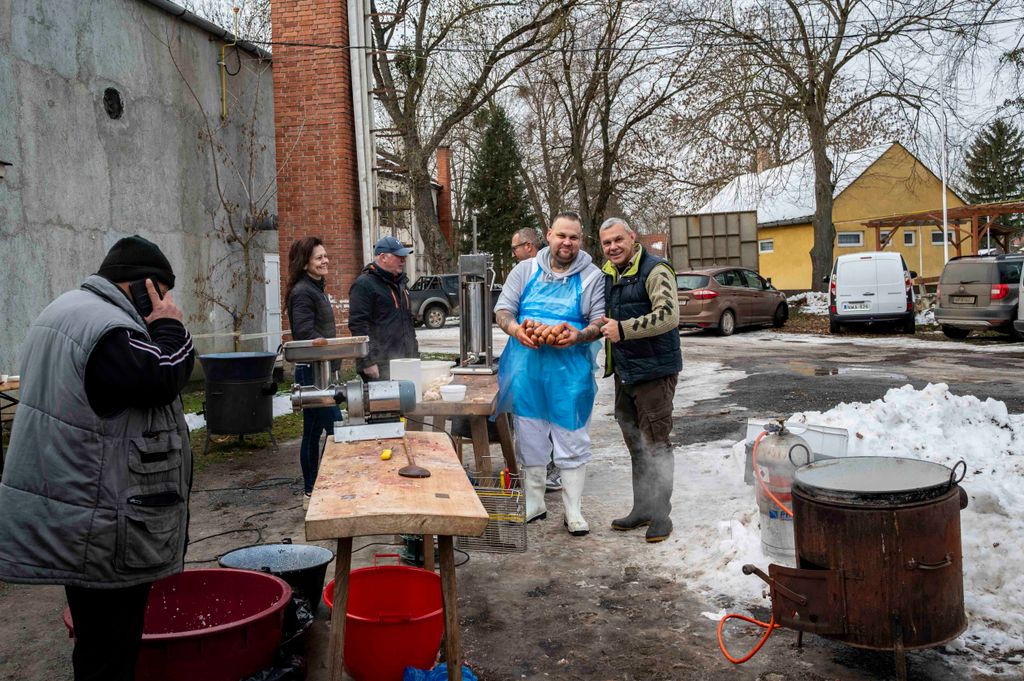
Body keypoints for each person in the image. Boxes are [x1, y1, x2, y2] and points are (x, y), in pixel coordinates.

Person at [0, 235, 194, 681]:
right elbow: (162, 376)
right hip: (100, 520)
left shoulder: (64, 312)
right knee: (110, 653)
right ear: (145, 286)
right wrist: (169, 325)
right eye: (163, 292)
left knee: (97, 643)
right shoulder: (107, 329)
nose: (167, 301)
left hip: (73, 504)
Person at [495, 211, 605, 536]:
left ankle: (573, 510)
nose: (566, 243)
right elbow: (503, 309)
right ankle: (534, 503)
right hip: (527, 370)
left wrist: (578, 334)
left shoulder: (592, 276)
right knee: (529, 438)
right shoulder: (525, 269)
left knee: (571, 439)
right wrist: (517, 331)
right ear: (549, 235)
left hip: (570, 373)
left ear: (580, 240)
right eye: (561, 235)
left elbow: (599, 322)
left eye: (573, 237)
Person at [597, 218, 681, 543]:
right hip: (626, 372)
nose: (613, 247)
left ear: (632, 237)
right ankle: (642, 508)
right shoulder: (608, 275)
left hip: (655, 372)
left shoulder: (656, 269)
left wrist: (624, 329)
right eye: (607, 243)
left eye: (618, 240)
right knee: (635, 444)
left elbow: (668, 315)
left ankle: (662, 515)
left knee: (656, 442)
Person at [284, 236, 343, 508]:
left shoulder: (315, 288)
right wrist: (329, 346)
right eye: (319, 257)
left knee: (313, 432)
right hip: (312, 372)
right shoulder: (302, 292)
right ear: (305, 262)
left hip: (324, 369)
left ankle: (312, 490)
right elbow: (304, 333)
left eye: (326, 256)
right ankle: (319, 490)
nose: (325, 261)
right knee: (336, 430)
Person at [510, 227, 561, 492]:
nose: (513, 253)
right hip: (534, 350)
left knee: (544, 414)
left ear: (529, 247)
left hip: (548, 353)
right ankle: (544, 470)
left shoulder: (537, 269)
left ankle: (550, 471)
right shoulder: (527, 271)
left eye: (515, 248)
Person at [348, 236, 419, 381]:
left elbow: (408, 323)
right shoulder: (364, 284)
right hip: (381, 364)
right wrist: (367, 361)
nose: (403, 260)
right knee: (386, 404)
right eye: (398, 256)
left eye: (403, 256)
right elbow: (358, 325)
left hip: (405, 360)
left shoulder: (400, 284)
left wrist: (415, 355)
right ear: (383, 257)